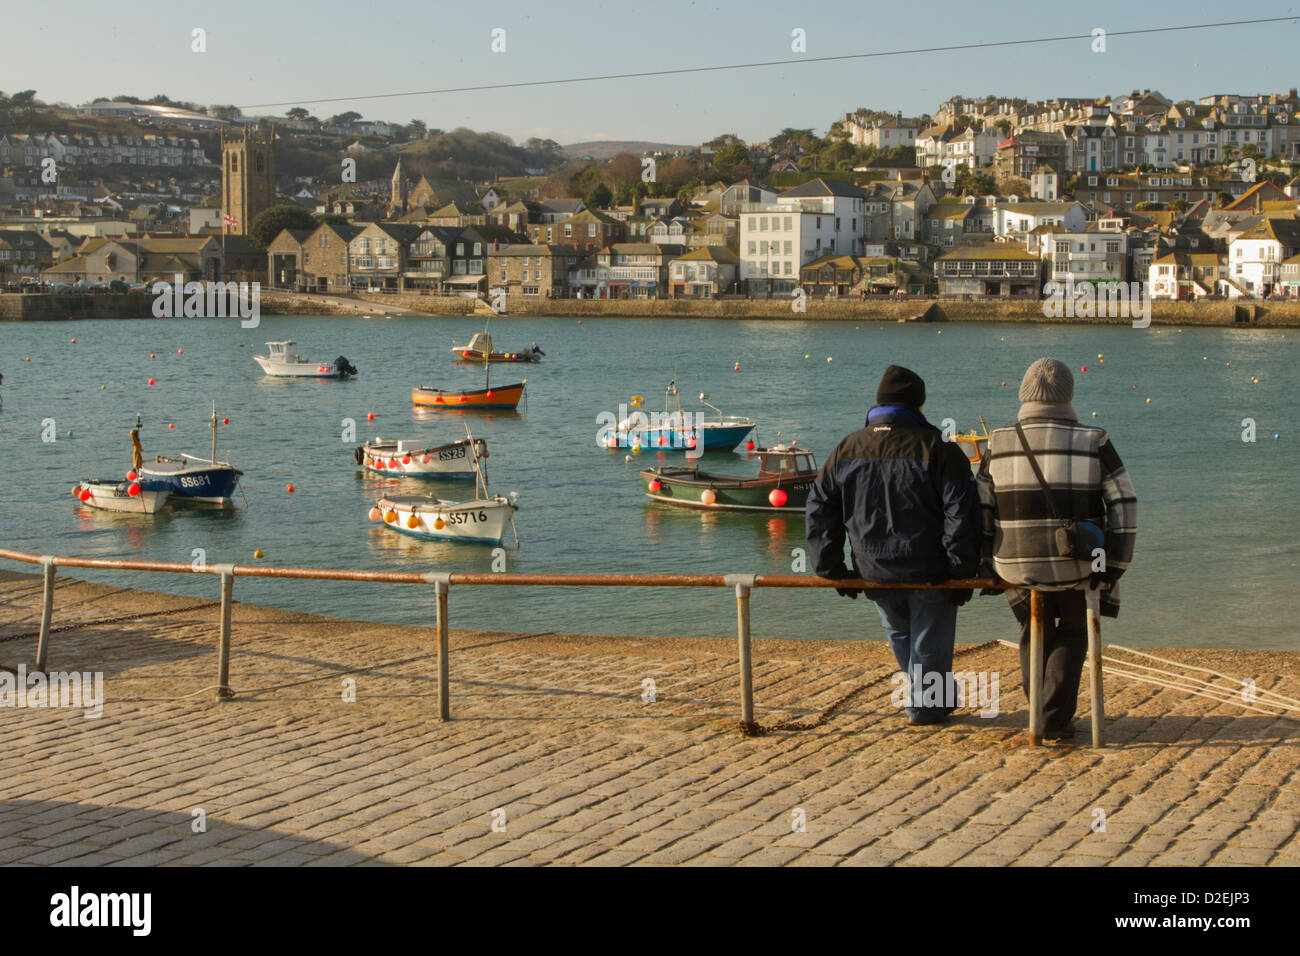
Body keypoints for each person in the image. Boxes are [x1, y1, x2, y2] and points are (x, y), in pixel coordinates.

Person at [806, 365, 981, 726]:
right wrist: (963, 569)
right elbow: (961, 513)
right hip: (929, 567)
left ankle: (934, 701)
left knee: (902, 634)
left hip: (873, 567)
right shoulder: (938, 449)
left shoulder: (847, 447)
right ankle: (926, 709)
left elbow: (819, 505)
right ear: (918, 407)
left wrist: (830, 567)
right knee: (927, 640)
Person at [976, 358, 1137, 740]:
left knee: (1036, 625)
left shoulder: (997, 441)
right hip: (1078, 565)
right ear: (1069, 396)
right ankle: (1052, 716)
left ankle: (1045, 714)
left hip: (1013, 565)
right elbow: (1125, 504)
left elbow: (980, 506)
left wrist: (986, 559)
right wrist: (1114, 563)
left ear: (1024, 394)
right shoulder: (1095, 440)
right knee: (1076, 626)